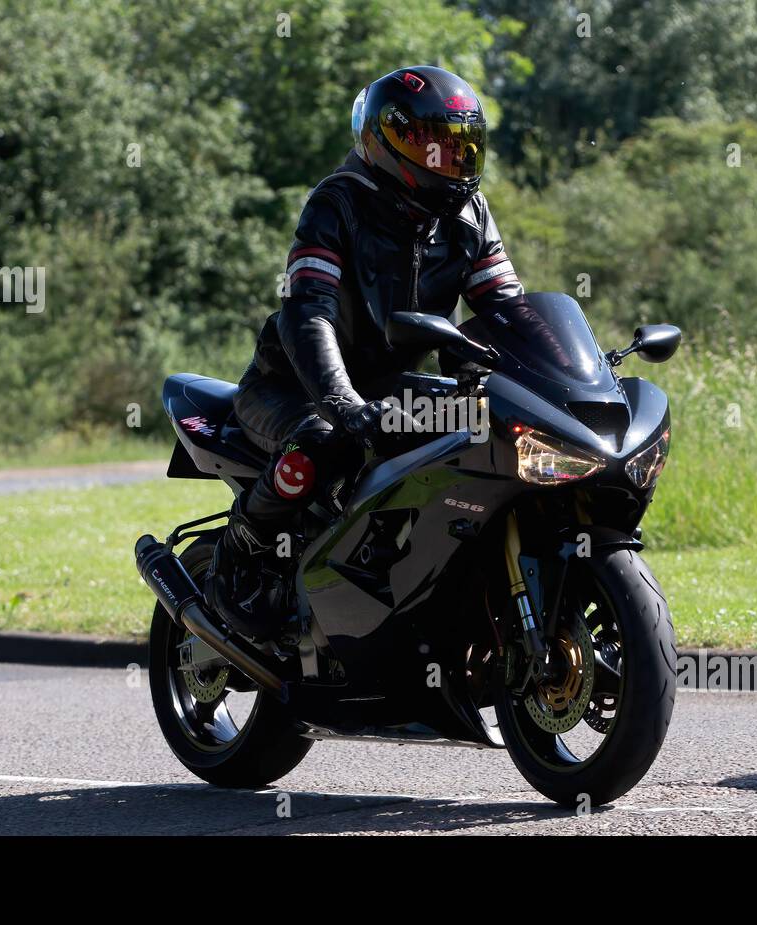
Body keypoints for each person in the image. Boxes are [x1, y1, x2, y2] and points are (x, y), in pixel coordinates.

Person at [214, 64, 555, 642]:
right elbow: (309, 312)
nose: (453, 163)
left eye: (463, 148)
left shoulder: (468, 214)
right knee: (323, 441)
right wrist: (341, 403)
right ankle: (241, 548)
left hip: (392, 388)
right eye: (436, 147)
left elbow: (509, 309)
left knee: (481, 429)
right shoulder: (339, 202)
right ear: (387, 140)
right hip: (292, 386)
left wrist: (563, 378)